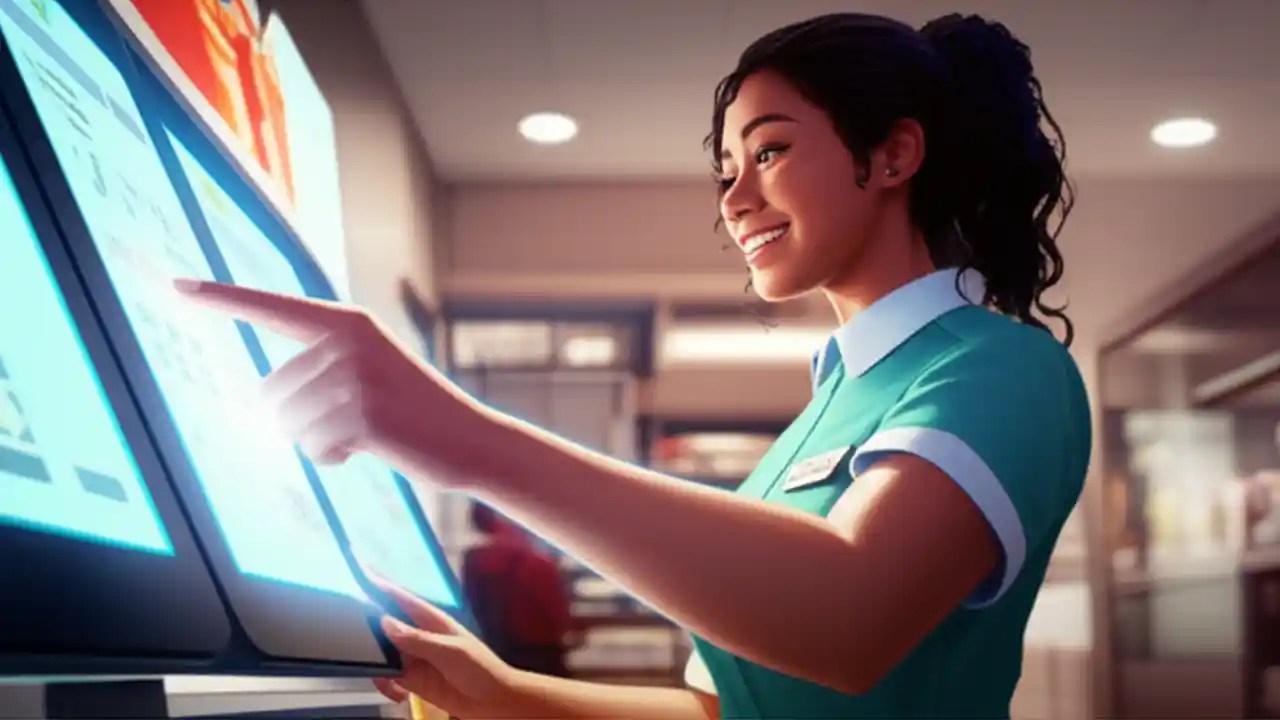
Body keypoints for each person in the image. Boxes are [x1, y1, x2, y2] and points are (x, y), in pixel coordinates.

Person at [176, 10, 1091, 719]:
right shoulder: (830, 407)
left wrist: (458, 436)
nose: (734, 198)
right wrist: (497, 692)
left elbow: (848, 619)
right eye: (727, 167)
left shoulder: (1002, 368)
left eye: (768, 150)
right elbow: (728, 708)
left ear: (893, 155)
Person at [461, 501, 574, 677]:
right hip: (540, 658)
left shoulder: (473, 559)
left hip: (490, 653)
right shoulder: (537, 563)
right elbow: (559, 616)